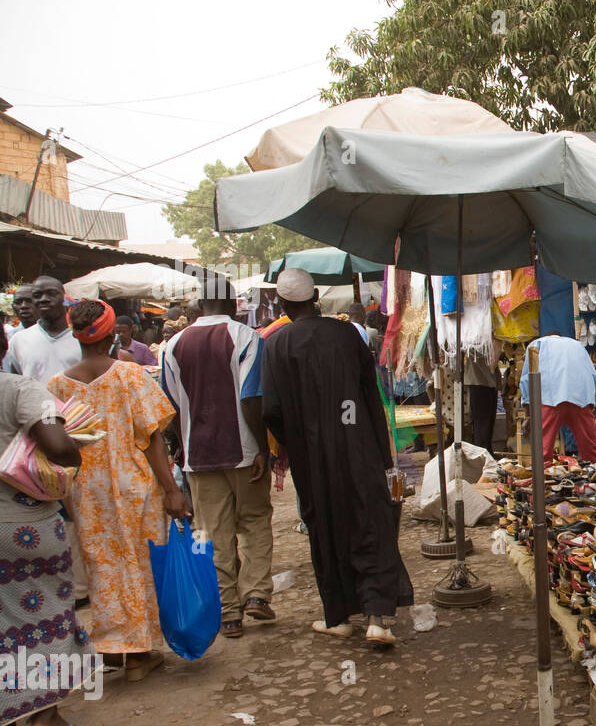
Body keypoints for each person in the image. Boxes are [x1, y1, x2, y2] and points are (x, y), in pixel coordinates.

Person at [261, 269, 411, 645]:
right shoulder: (347, 335)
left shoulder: (276, 346)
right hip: (358, 446)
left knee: (325, 527)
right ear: (315, 299)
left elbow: (271, 410)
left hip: (312, 457)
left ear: (282, 304)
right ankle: (378, 617)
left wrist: (294, 443)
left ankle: (338, 615)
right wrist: (383, 451)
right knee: (369, 521)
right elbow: (371, 398)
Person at [47, 301, 186, 682]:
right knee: (139, 563)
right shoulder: (129, 375)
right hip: (133, 484)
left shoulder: (58, 386)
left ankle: (113, 646)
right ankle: (138, 654)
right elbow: (153, 437)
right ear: (112, 334)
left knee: (101, 566)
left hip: (87, 491)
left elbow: (67, 449)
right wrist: (172, 490)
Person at [0, 328, 92, 726]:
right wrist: (73, 447)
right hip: (23, 526)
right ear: (4, 348)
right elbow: (59, 448)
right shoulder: (19, 389)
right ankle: (44, 717)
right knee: (45, 614)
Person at [161, 282, 274, 640]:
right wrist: (261, 448)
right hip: (242, 447)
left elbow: (171, 406)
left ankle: (229, 614)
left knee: (212, 533)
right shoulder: (245, 336)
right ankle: (256, 592)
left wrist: (181, 449)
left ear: (199, 303)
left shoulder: (173, 345)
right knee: (255, 520)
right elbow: (251, 396)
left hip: (199, 454)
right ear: (231, 302)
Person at [519, 332, 596, 462]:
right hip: (581, 398)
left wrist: (529, 413)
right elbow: (592, 375)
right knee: (590, 450)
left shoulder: (537, 344)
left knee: (542, 452)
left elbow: (526, 378)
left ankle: (543, 478)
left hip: (550, 399)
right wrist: (595, 400)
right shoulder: (578, 345)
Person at [9, 276, 80, 384]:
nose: (44, 299)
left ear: (64, 298)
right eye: (37, 295)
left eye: (51, 293)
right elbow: (16, 382)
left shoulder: (82, 337)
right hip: (33, 401)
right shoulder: (18, 340)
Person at [464, 347, 500, 455]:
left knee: (487, 422)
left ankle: (487, 453)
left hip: (488, 382)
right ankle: (482, 455)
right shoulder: (473, 340)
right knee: (482, 423)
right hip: (479, 381)